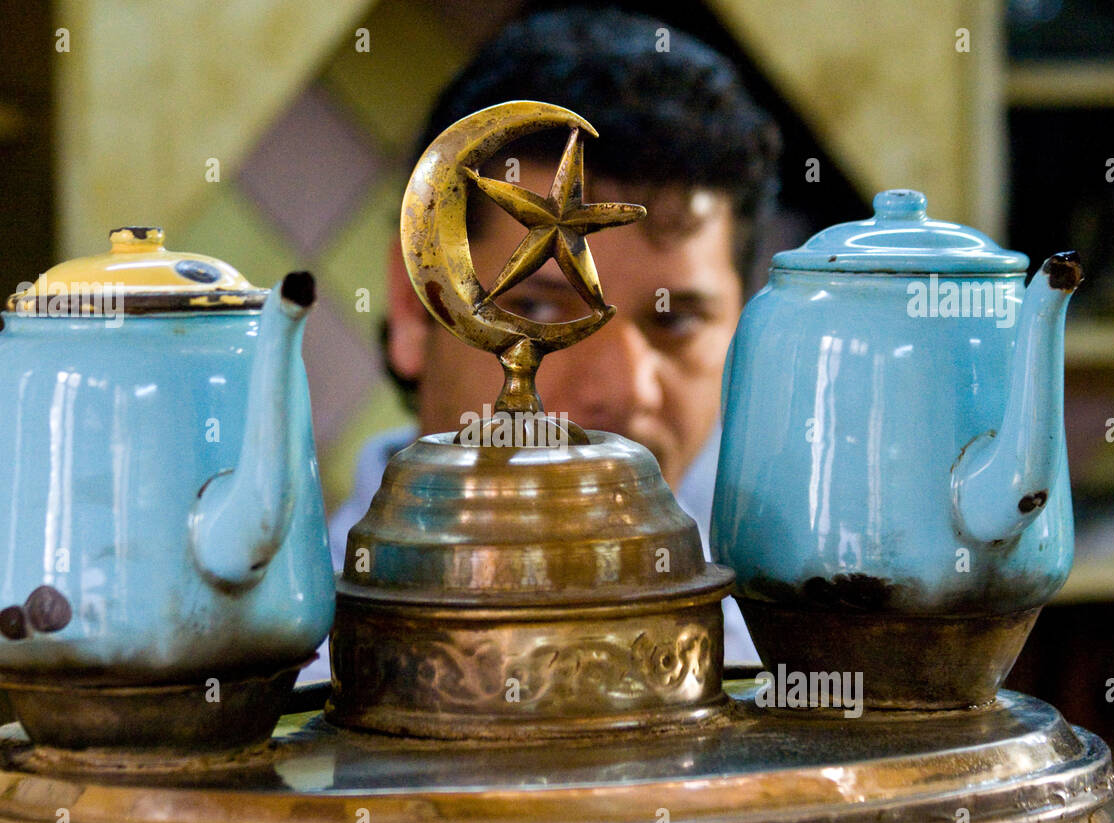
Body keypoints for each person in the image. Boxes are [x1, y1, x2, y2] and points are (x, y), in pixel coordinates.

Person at [308, 7, 781, 682]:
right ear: (417, 307)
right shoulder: (299, 672)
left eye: (674, 322)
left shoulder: (780, 664)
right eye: (535, 309)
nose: (627, 390)